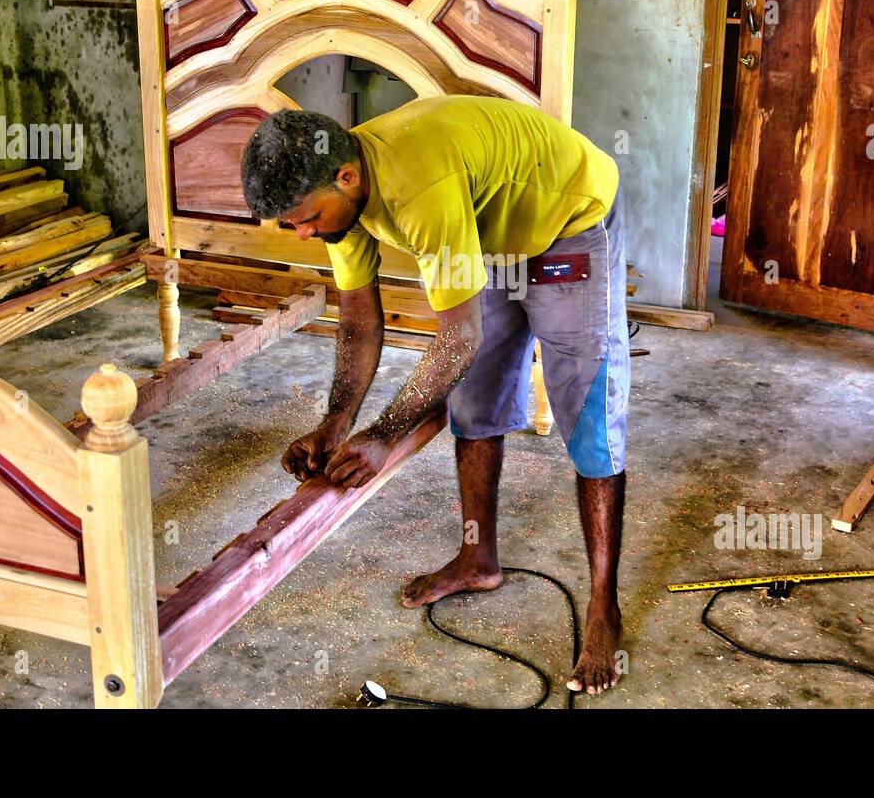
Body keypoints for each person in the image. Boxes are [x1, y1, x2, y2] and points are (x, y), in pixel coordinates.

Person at [241, 95, 630, 695]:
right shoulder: (341, 194)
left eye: (304, 217)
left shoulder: (417, 186)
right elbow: (360, 322)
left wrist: (383, 436)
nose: (302, 233)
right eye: (292, 224)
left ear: (346, 178)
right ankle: (480, 560)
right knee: (473, 402)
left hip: (569, 220)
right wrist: (335, 424)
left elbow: (458, 336)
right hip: (490, 232)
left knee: (588, 416)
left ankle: (604, 608)